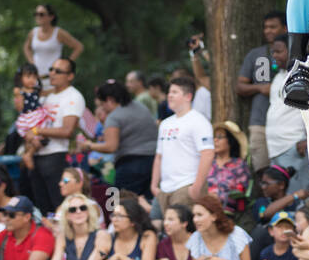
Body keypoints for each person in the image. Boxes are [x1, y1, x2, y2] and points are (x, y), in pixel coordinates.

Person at [24, 57, 86, 214]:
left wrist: (37, 131)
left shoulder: (73, 96)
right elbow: (28, 122)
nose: (52, 73)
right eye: (51, 69)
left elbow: (67, 131)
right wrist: (30, 138)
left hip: (56, 157)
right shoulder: (46, 96)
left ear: (70, 76)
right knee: (42, 207)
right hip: (37, 155)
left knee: (59, 205)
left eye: (58, 71)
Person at [150, 75, 215, 216]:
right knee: (167, 231)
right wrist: (154, 185)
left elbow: (208, 154)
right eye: (169, 92)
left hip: (186, 185)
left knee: (185, 231)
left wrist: (196, 187)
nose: (169, 96)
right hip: (165, 188)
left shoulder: (198, 121)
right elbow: (159, 156)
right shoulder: (165, 124)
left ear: (188, 96)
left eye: (174, 92)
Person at [236, 10, 287, 173]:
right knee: (262, 170)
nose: (268, 31)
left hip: (287, 125)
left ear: (285, 29)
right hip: (259, 121)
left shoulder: (295, 54)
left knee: (286, 169)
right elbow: (239, 86)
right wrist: (260, 88)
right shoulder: (255, 54)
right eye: (265, 27)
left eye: (273, 27)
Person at [90, 79, 157, 197]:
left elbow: (111, 146)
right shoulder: (139, 106)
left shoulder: (114, 117)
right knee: (146, 202)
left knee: (119, 201)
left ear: (110, 100)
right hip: (153, 161)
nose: (103, 108)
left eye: (102, 104)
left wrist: (89, 145)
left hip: (130, 165)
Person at [265, 34, 309, 198]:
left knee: (295, 195)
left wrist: (308, 138)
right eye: (273, 52)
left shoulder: (302, 75)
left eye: (279, 51)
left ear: (291, 50)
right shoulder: (278, 77)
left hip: (293, 145)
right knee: (278, 196)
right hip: (275, 148)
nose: (275, 56)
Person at [23, 3, 85, 92]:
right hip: (36, 78)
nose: (38, 16)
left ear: (51, 17)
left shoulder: (59, 33)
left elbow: (79, 47)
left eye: (41, 14)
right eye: (36, 14)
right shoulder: (33, 32)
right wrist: (32, 62)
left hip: (53, 79)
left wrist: (65, 65)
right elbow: (26, 47)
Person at [206, 121, 252, 214]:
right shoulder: (208, 163)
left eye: (219, 137)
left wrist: (218, 196)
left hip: (228, 208)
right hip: (205, 205)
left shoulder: (239, 164)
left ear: (230, 140)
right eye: (214, 137)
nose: (215, 140)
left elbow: (241, 191)